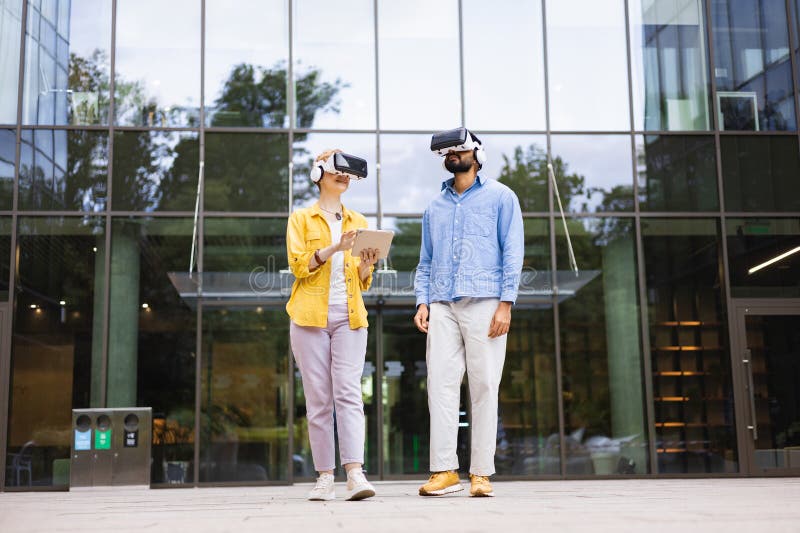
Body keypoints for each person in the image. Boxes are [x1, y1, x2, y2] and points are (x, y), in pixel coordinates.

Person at [413, 127, 524, 497]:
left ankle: (480, 474)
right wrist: (422, 301)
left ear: (477, 155)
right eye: (447, 153)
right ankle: (444, 471)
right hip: (443, 303)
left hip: (487, 302)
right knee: (440, 387)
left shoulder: (501, 197)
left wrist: (506, 303)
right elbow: (425, 261)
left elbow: (513, 252)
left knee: (484, 386)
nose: (451, 157)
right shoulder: (434, 207)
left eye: (458, 151)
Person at [286, 149, 379, 501]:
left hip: (350, 317)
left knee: (349, 393)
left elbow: (362, 279)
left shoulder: (360, 221)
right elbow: (298, 266)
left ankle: (355, 473)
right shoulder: (301, 219)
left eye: (348, 175)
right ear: (319, 174)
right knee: (319, 398)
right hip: (309, 317)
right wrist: (333, 247)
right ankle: (325, 477)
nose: (344, 177)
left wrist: (368, 263)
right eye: (337, 171)